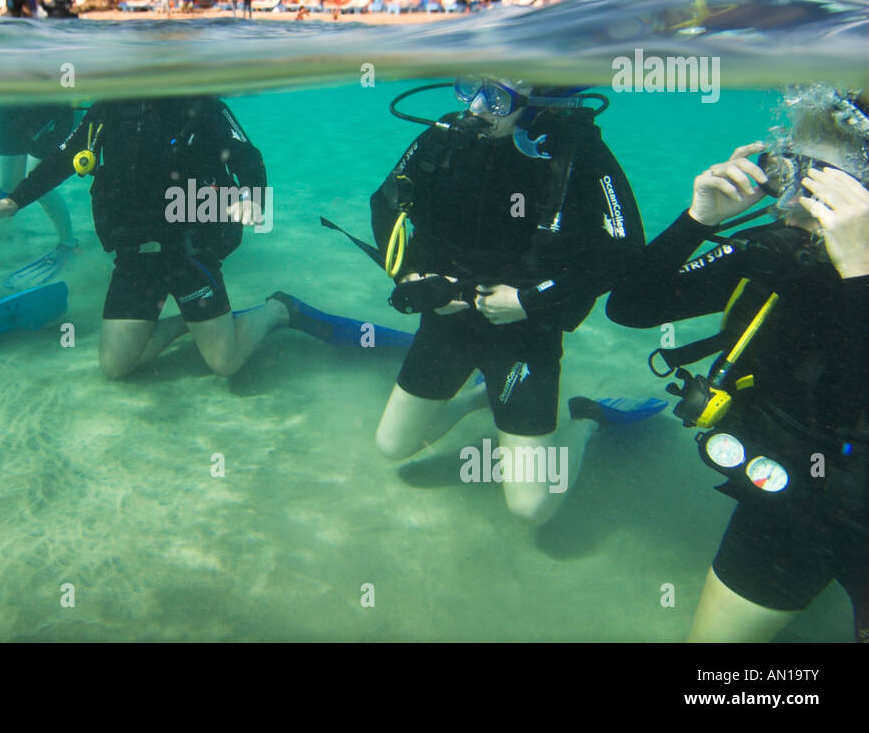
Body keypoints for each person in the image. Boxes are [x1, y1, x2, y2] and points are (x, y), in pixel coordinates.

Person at [606, 85, 868, 643]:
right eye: (789, 167)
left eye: (818, 180)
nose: (789, 196)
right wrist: (697, 221)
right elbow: (631, 307)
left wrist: (862, 277)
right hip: (789, 498)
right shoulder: (776, 251)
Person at [370, 77, 645, 522]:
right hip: (447, 321)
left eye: (496, 98)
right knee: (391, 447)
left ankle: (587, 421)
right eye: (470, 88)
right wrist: (411, 275)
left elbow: (623, 251)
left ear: (538, 106)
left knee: (530, 507)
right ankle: (480, 396)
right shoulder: (445, 137)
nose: (476, 107)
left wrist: (529, 301)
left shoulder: (576, 153)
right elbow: (385, 203)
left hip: (525, 335)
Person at [0, 97, 285, 379]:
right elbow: (64, 158)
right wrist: (14, 201)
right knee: (115, 367)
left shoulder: (202, 105)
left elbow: (248, 157)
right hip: (135, 256)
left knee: (224, 364)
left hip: (190, 252)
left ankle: (277, 309)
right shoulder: (108, 109)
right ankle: (191, 322)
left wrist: (250, 197)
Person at [0, 102, 79, 288]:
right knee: (8, 183)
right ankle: (5, 213)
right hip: (13, 104)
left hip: (51, 103)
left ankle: (69, 243)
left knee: (37, 181)